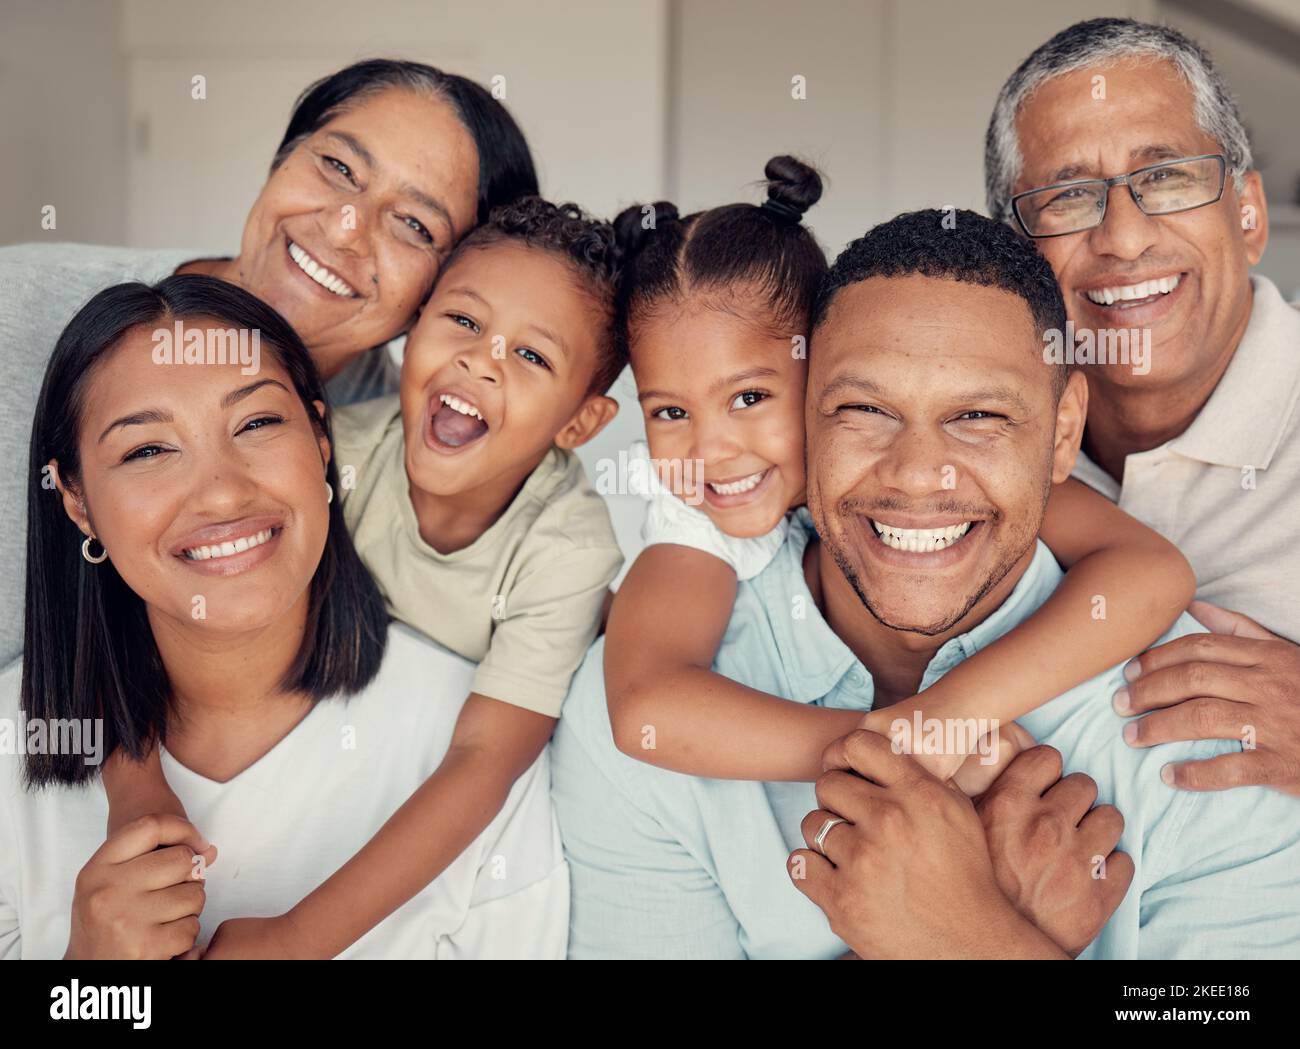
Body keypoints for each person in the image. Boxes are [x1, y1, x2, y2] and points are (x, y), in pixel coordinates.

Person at [552, 209, 1300, 959]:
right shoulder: (636, 725)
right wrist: (989, 933)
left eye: (979, 415)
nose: (918, 473)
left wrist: (966, 925)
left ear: (1064, 431)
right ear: (810, 412)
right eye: (864, 409)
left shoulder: (1220, 733)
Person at [100, 199, 625, 958]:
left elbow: (484, 761)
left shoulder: (568, 548)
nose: (481, 360)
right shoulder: (331, 455)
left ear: (579, 423)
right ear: (414, 329)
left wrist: (300, 937)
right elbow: (150, 599)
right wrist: (134, 780)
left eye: (532, 356)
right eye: (464, 323)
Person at [0, 275, 566, 959]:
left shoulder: (472, 741)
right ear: (77, 503)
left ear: (323, 443)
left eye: (258, 422)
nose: (221, 493)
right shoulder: (12, 747)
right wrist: (90, 976)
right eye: (147, 449)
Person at [603, 154, 1193, 788]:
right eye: (669, 411)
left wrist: (952, 713)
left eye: (748, 399)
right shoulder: (695, 525)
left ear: (819, 376)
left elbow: (1153, 571)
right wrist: (897, 748)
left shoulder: (991, 481)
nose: (711, 449)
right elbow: (647, 712)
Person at [0, 57, 538, 668]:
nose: (344, 230)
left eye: (414, 224)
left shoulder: (401, 458)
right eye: (338, 168)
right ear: (280, 162)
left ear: (447, 287)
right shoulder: (16, 303)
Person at [985, 18, 1300, 796]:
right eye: (1067, 196)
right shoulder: (968, 454)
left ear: (1249, 215)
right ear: (1011, 260)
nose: (1124, 239)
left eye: (1167, 177)